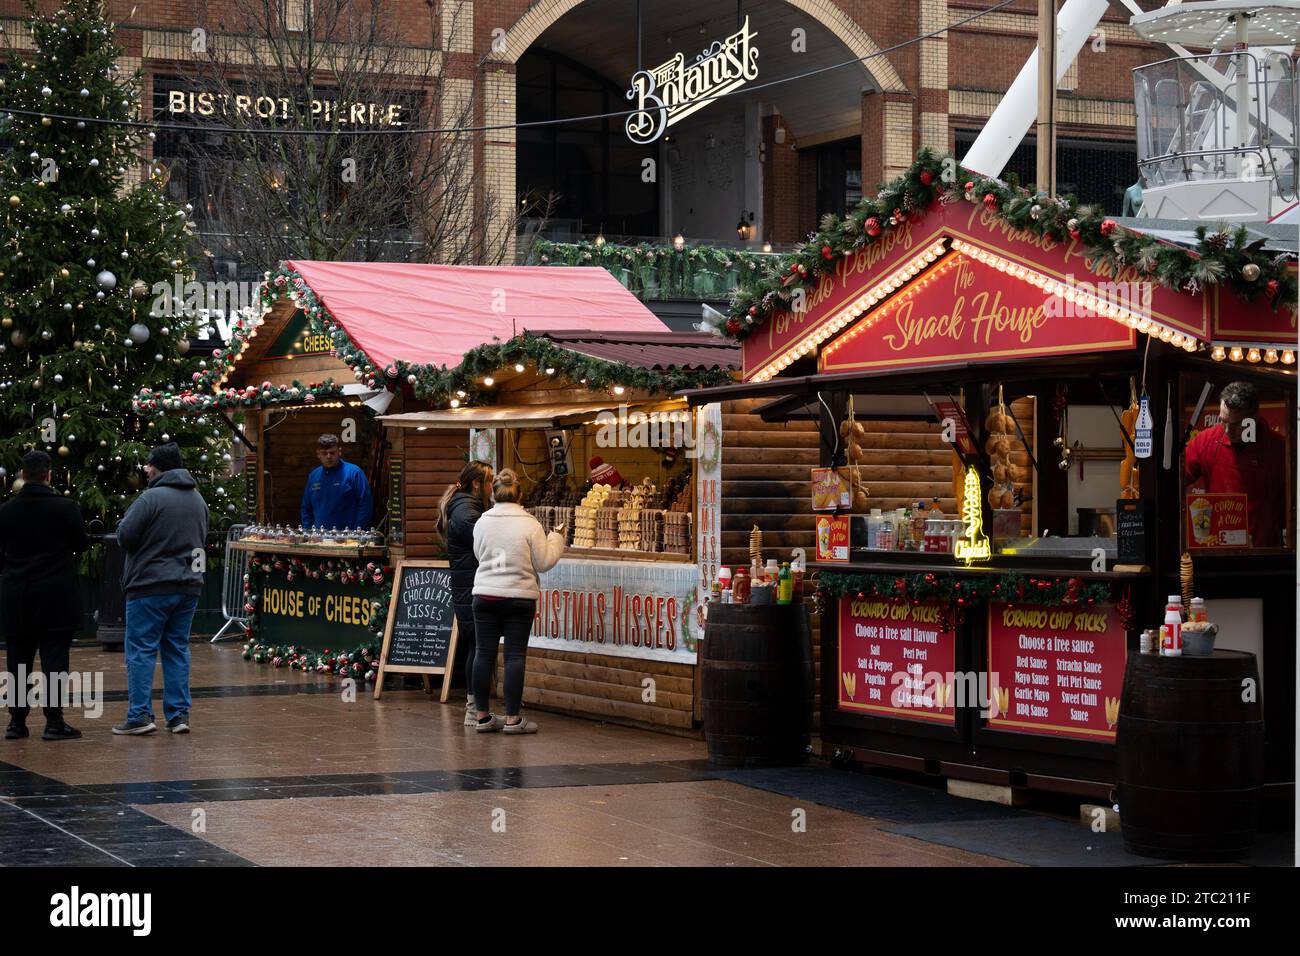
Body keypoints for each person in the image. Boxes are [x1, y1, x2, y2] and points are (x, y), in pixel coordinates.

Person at [113, 443, 209, 735]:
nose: (145, 468)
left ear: (159, 467)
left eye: (149, 464)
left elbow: (124, 537)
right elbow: (202, 540)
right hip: (188, 586)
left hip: (149, 585)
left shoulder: (150, 498)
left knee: (141, 650)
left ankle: (140, 715)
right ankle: (179, 715)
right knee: (177, 649)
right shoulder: (198, 500)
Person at [0, 451, 89, 740]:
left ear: (23, 475)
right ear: (48, 474)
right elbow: (81, 543)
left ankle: (16, 721)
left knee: (18, 659)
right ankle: (53, 721)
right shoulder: (65, 508)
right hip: (55, 594)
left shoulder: (7, 510)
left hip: (18, 593)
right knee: (54, 659)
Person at [470, 469, 565, 734]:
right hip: (519, 598)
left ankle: (482, 717)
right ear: (520, 494)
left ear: (493, 494)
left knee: (484, 653)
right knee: (514, 656)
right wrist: (556, 537)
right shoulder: (530, 524)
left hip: (485, 594)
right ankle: (512, 719)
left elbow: (479, 554)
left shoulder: (482, 522)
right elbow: (544, 562)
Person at [1185, 380, 1287, 548]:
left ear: (1254, 418)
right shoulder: (1206, 441)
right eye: (1223, 421)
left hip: (1264, 552)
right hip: (1216, 549)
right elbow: (1173, 479)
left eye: (1236, 424)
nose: (1227, 430)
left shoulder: (1278, 448)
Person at [437, 461, 494, 727]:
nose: (492, 487)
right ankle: (474, 708)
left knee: (476, 645)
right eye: (490, 481)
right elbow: (485, 545)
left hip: (469, 585)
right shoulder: (466, 513)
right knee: (478, 645)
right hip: (471, 586)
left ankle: (475, 706)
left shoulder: (465, 507)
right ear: (476, 484)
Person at [301, 434, 372, 531]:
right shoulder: (314, 475)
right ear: (318, 454)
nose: (329, 456)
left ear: (339, 451)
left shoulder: (354, 473)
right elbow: (306, 508)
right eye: (324, 453)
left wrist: (357, 532)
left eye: (332, 453)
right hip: (318, 538)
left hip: (348, 537)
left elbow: (365, 504)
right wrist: (308, 532)